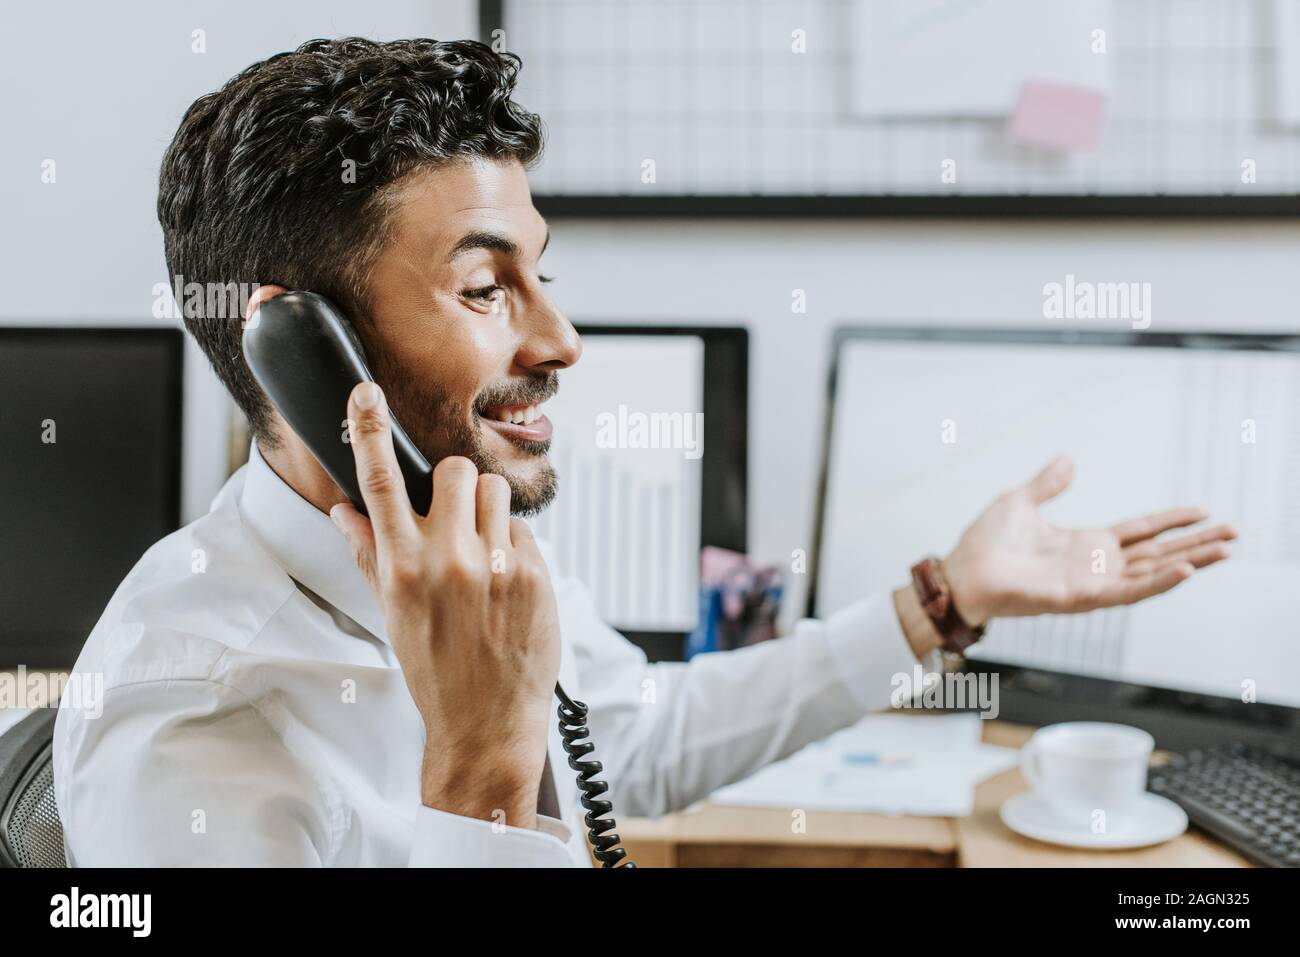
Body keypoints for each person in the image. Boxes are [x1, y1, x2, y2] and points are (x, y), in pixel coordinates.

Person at [54, 38, 1236, 866]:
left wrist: (941, 605)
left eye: (541, 272)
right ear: (296, 347)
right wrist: (477, 772)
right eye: (483, 286)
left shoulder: (479, 540)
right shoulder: (191, 727)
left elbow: (634, 742)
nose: (560, 339)